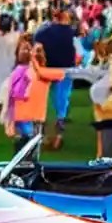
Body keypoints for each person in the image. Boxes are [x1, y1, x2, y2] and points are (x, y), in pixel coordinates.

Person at [34, 8, 77, 149]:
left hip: (48, 69)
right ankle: (58, 134)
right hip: (66, 70)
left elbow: (36, 46)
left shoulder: (43, 31)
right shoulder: (70, 32)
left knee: (43, 101)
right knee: (62, 102)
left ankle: (41, 135)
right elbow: (78, 52)